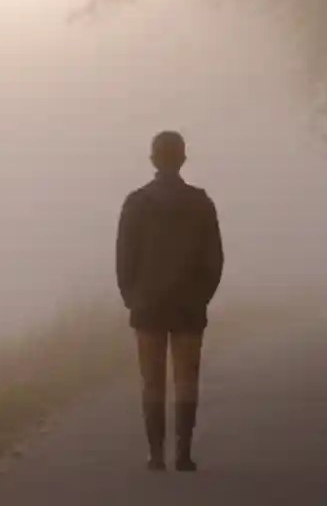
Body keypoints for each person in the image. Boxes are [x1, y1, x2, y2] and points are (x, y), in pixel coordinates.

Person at [115, 130, 224, 472]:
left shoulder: (136, 203)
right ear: (183, 159)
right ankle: (184, 453)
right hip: (189, 304)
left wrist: (131, 297)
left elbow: (124, 258)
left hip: (147, 303)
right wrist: (202, 295)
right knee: (186, 379)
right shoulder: (201, 202)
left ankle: (155, 454)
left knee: (152, 380)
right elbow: (215, 259)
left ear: (153, 160)